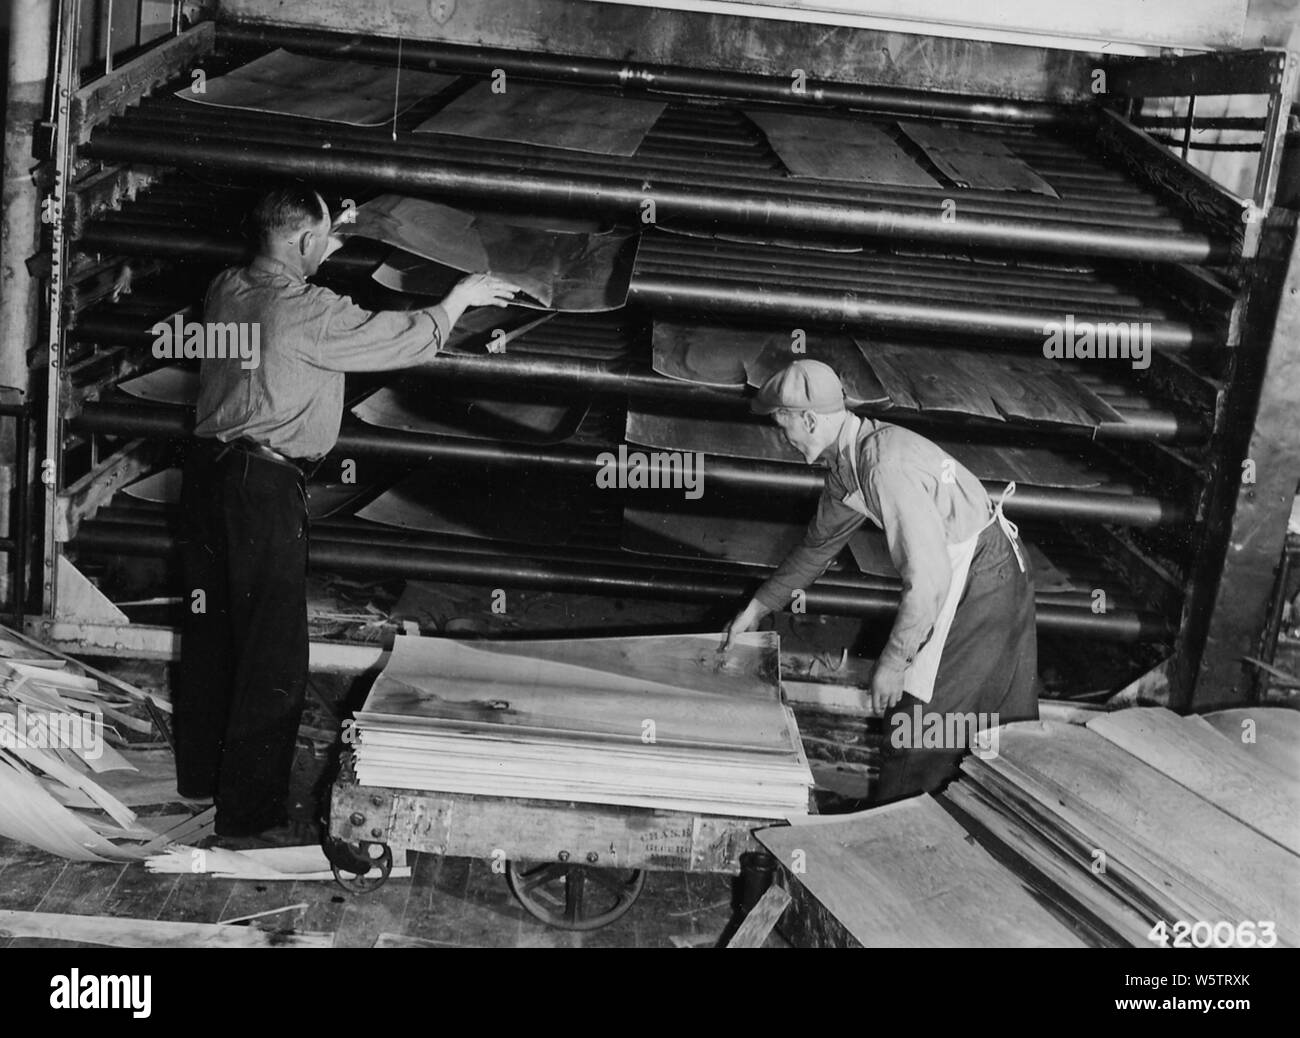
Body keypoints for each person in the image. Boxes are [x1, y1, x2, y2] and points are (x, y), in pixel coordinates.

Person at [176, 185, 519, 843]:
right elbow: (395, 339)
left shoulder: (230, 285)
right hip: (263, 488)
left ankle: (200, 781)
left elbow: (288, 277)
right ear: (303, 242)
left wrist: (334, 234)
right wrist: (458, 300)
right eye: (321, 238)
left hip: (209, 478)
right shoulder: (308, 312)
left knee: (213, 638)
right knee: (271, 656)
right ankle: (250, 820)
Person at [723, 359, 1039, 802]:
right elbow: (816, 549)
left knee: (919, 731)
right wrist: (756, 609)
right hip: (989, 568)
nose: (784, 437)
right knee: (983, 725)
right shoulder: (848, 465)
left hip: (979, 581)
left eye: (783, 424)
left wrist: (893, 662)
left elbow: (928, 581)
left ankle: (902, 839)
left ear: (809, 420)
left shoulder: (881, 467)